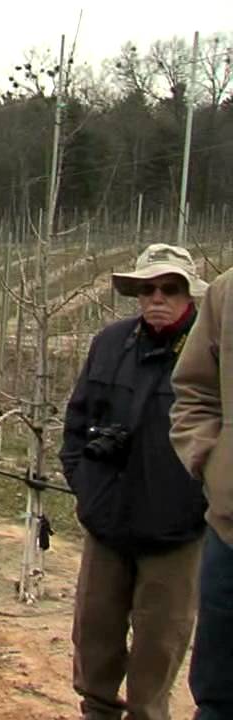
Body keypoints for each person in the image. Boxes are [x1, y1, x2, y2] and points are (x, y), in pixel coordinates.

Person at [60, 243, 209, 720]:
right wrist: (86, 486)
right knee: (95, 634)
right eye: (147, 289)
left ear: (190, 295)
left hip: (178, 531)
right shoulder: (110, 342)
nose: (156, 298)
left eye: (169, 289)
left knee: (159, 645)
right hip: (108, 521)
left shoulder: (213, 353)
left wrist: (210, 501)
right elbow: (78, 419)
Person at [171, 265, 233, 720]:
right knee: (217, 696)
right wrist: (211, 462)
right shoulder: (227, 292)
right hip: (231, 536)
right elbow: (194, 392)